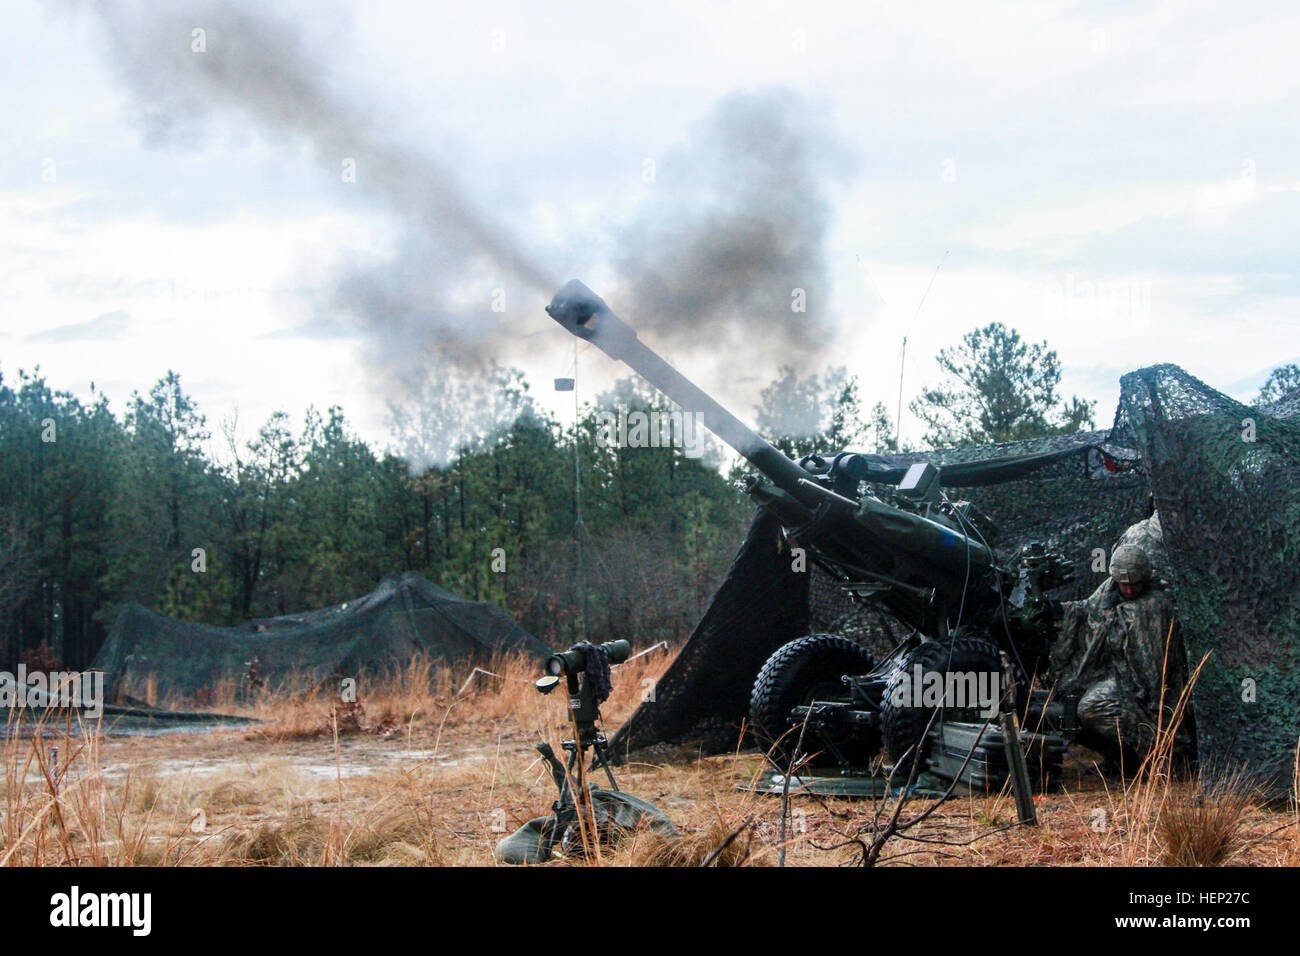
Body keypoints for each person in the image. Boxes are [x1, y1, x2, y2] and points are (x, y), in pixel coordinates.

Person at [1051, 533, 1194, 770]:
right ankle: (1122, 759)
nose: (1128, 590)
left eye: (1134, 584)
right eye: (1123, 584)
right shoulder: (1109, 591)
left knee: (1092, 707)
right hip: (1116, 676)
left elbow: (1153, 672)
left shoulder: (1153, 606)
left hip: (1147, 692)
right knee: (1067, 704)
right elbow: (1087, 610)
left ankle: (1156, 757)